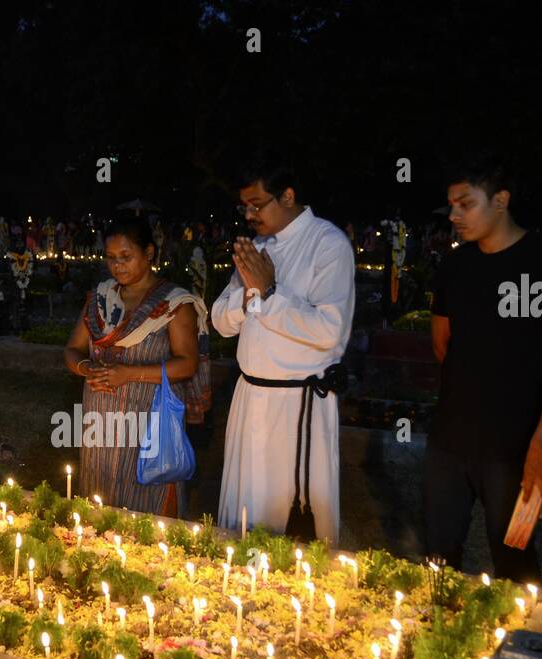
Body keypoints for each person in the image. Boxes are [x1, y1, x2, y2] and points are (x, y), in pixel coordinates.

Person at [424, 157, 542, 583]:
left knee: (513, 557)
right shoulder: (454, 268)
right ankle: (439, 635)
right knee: (437, 558)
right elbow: (443, 344)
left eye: (465, 204)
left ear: (500, 200)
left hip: (515, 445)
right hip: (449, 438)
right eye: (450, 206)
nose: (454, 216)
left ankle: (519, 643)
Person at [212, 155, 355, 543]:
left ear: (288, 196)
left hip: (298, 407)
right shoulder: (257, 248)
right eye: (245, 206)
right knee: (244, 519)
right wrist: (251, 299)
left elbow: (329, 330)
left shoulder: (328, 245)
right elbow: (220, 320)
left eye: (257, 204)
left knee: (290, 530)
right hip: (249, 398)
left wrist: (269, 293)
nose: (249, 214)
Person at [63, 217, 211, 515]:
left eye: (126, 257)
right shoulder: (101, 299)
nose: (117, 266)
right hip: (100, 421)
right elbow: (72, 348)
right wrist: (85, 368)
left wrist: (129, 374)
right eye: (111, 258)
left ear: (149, 253)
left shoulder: (173, 304)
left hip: (148, 419)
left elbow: (187, 364)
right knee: (99, 500)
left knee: (146, 504)